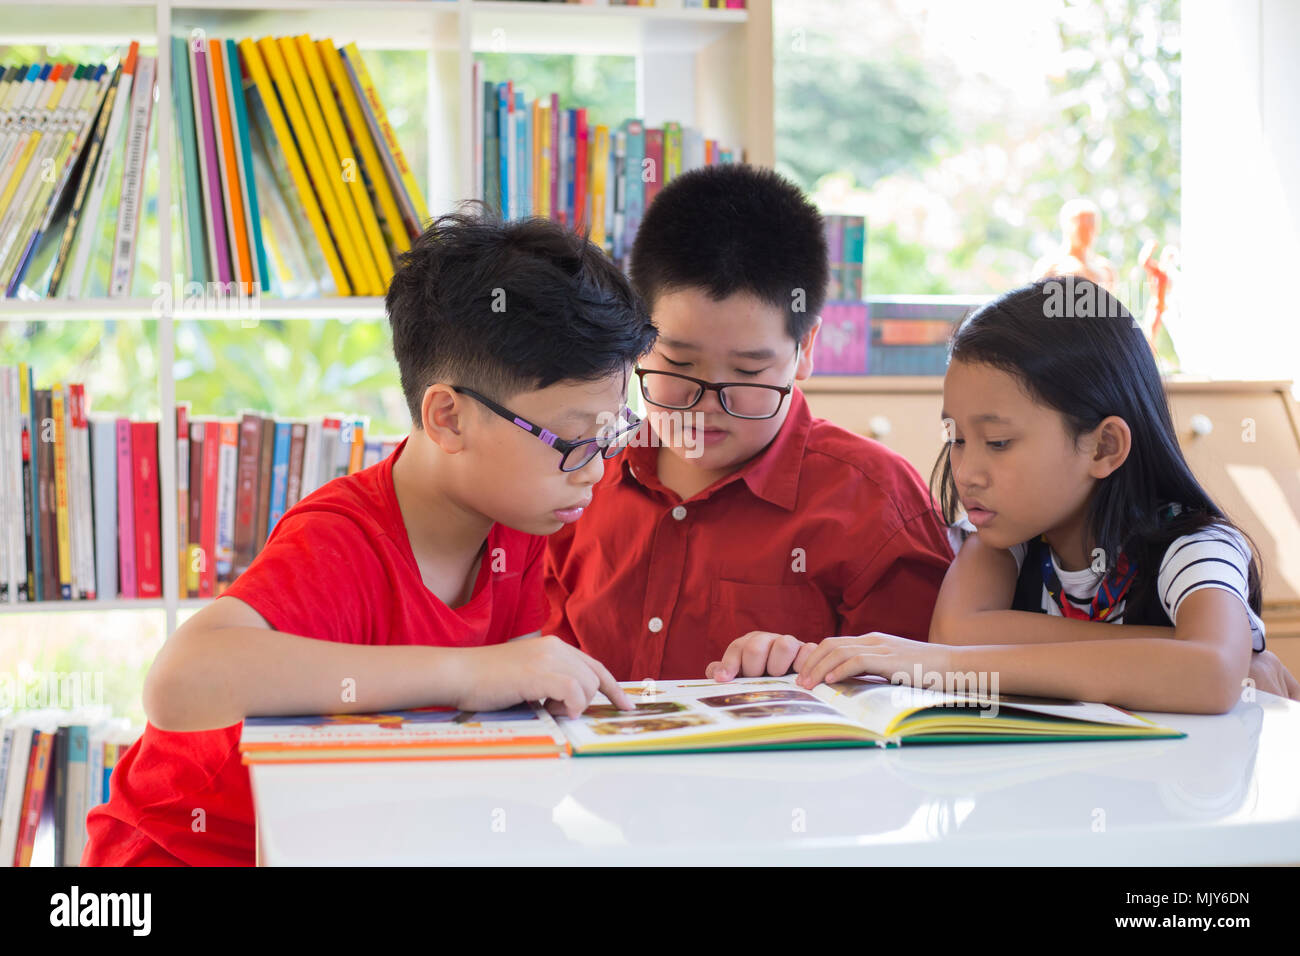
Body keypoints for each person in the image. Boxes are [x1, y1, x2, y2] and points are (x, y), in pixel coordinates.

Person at [81, 211, 654, 866]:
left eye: (609, 435)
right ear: (449, 417)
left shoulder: (526, 518)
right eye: (576, 441)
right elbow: (179, 684)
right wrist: (472, 673)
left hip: (350, 833)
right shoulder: (343, 541)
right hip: (180, 854)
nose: (597, 467)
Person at [797, 276, 1300, 711]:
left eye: (997, 442)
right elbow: (959, 633)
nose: (967, 471)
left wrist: (947, 664)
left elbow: (1210, 674)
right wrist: (1175, 650)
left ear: (1104, 446)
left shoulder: (1194, 546)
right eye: (957, 438)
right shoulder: (1007, 535)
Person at [543, 163, 954, 682]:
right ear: (634, 335)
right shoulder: (579, 476)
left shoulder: (876, 504)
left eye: (748, 370)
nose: (706, 404)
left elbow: (916, 704)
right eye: (679, 363)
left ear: (805, 349)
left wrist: (812, 677)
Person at [1033, 198, 1117, 292]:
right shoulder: (1049, 267)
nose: (1088, 232)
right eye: (1083, 227)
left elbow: (1111, 305)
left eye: (1092, 225)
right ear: (1067, 226)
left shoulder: (1106, 270)